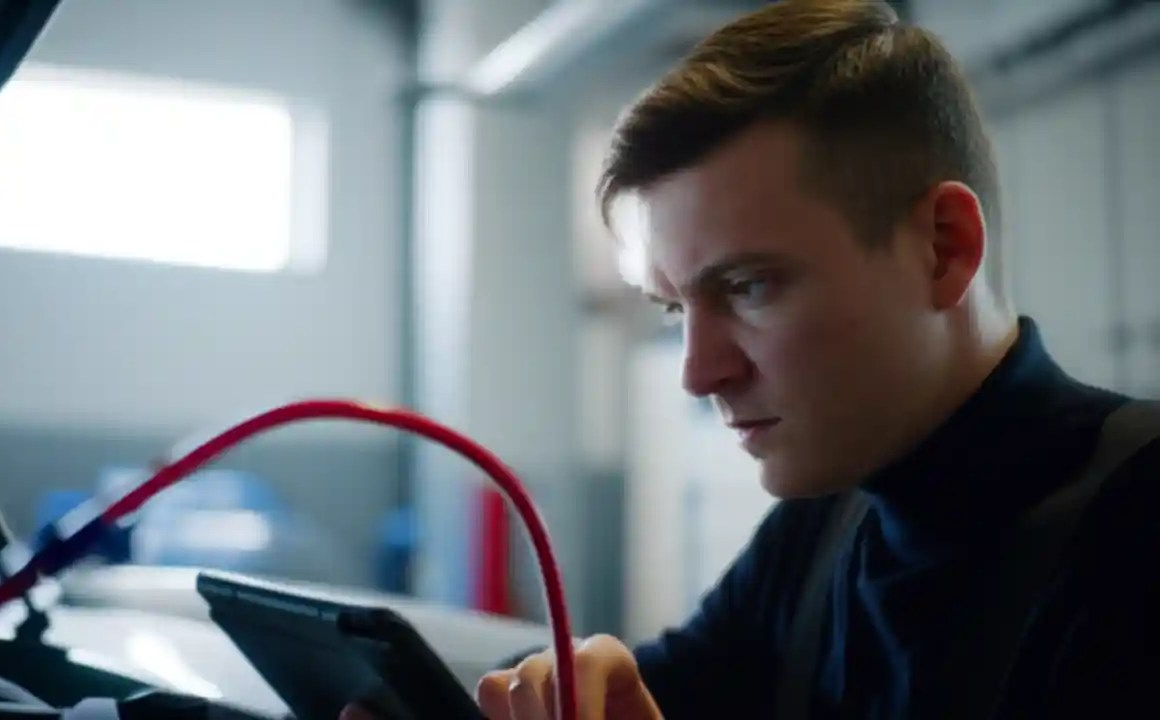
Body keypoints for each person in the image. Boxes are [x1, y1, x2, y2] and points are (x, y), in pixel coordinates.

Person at [347, 0, 1160, 718]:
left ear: (944, 249)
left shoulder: (1132, 539)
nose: (699, 375)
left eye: (748, 286)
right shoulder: (824, 524)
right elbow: (667, 686)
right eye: (675, 308)